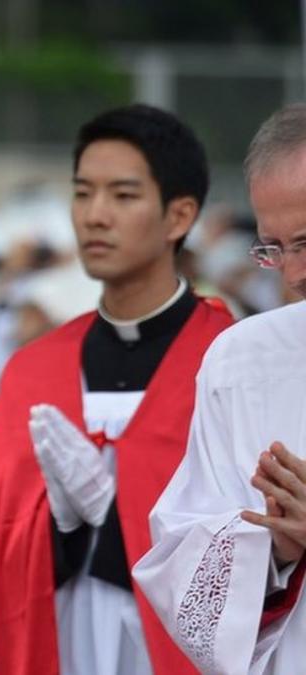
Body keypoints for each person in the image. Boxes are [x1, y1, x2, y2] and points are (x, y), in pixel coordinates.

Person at [0, 104, 234, 675]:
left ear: (179, 215)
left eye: (123, 196)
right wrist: (59, 530)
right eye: (83, 193)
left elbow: (255, 553)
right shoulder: (34, 370)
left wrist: (114, 518)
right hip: (60, 643)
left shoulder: (229, 364)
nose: (95, 215)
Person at [133, 104, 306, 675]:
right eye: (273, 247)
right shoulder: (243, 361)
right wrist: (275, 547)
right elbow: (179, 557)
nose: (293, 274)